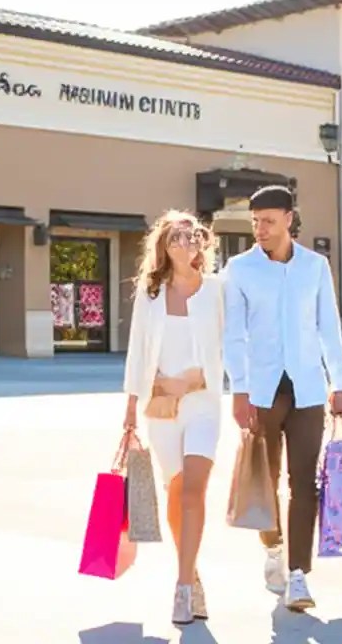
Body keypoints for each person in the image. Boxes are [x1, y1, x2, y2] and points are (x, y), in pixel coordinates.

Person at [221, 185, 342, 612]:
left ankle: (298, 574)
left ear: (290, 219)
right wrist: (238, 387)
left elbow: (328, 327)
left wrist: (340, 383)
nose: (261, 229)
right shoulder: (238, 270)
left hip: (308, 389)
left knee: (304, 482)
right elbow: (233, 335)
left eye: (269, 221)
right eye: (255, 222)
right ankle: (272, 546)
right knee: (265, 478)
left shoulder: (315, 267)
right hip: (261, 391)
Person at [121, 209, 224, 626]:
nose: (184, 244)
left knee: (195, 492)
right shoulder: (150, 294)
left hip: (203, 404)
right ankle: (191, 571)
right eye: (175, 238)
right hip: (160, 408)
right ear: (163, 247)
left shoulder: (217, 291)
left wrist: (197, 381)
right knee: (176, 493)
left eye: (190, 236)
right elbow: (137, 352)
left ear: (202, 242)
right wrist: (130, 407)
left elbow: (229, 345)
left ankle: (182, 589)